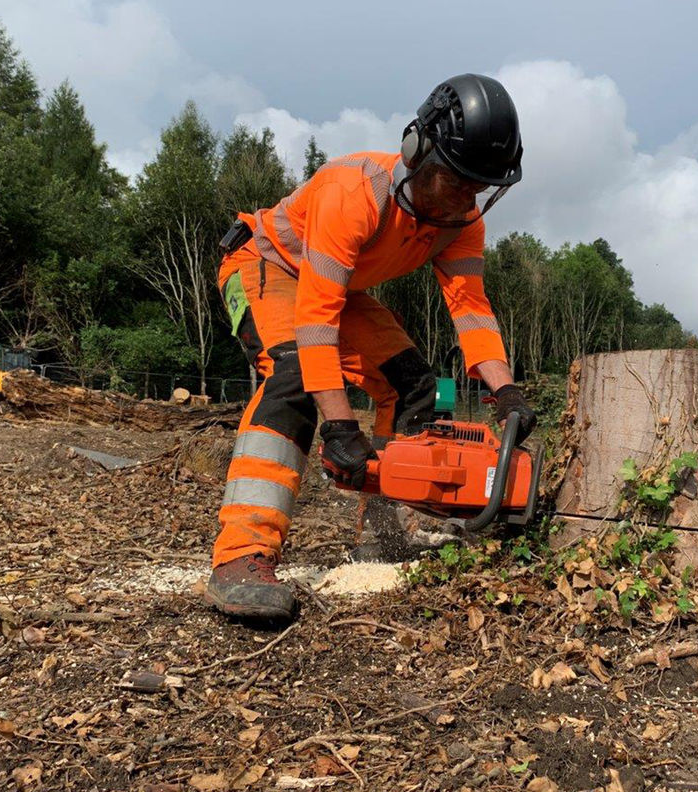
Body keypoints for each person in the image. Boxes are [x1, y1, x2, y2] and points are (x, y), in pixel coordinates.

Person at [208, 73, 537, 623]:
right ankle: (243, 554)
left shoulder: (461, 222)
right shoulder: (353, 192)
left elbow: (471, 309)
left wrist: (505, 391)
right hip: (265, 264)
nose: (465, 201)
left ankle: (382, 533)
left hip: (341, 287)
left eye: (478, 189)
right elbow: (316, 320)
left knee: (417, 386)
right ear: (418, 152)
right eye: (456, 183)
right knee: (291, 372)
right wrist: (340, 427)